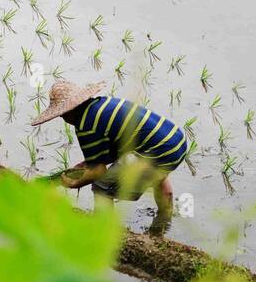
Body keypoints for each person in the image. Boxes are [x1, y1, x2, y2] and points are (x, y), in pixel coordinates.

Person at [32, 79, 188, 235]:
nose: (62, 118)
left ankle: (104, 232)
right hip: (176, 141)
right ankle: (164, 220)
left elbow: (98, 172)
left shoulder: (86, 125)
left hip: (157, 153)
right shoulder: (102, 104)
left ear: (69, 111)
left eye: (61, 114)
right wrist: (90, 163)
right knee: (155, 170)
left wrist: (75, 183)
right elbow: (113, 148)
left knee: (101, 186)